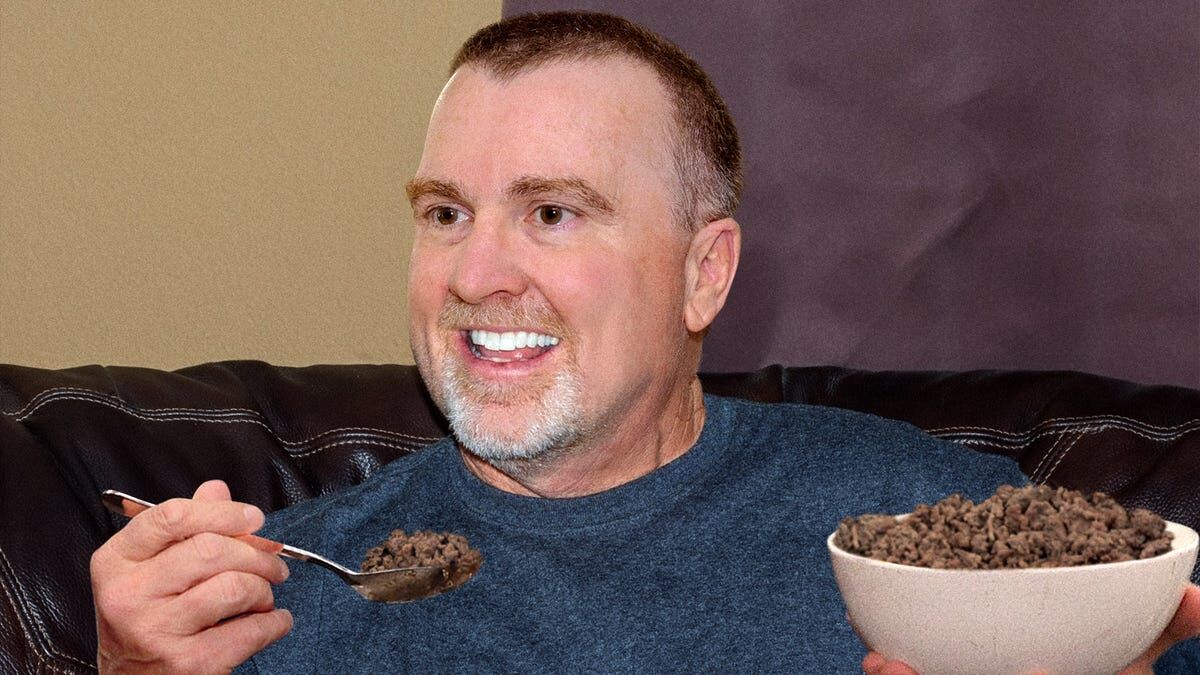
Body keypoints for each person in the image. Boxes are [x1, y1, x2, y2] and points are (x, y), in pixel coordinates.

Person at [89, 11, 1200, 673]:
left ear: (704, 273)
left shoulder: (942, 543)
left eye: (553, 213)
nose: (476, 276)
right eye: (444, 214)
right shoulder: (271, 600)